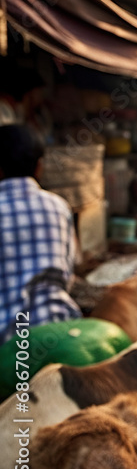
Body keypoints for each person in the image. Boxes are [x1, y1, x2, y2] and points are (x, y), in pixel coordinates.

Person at [0, 124, 81, 343]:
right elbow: (68, 274)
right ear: (39, 167)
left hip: (8, 343)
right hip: (60, 332)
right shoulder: (59, 206)